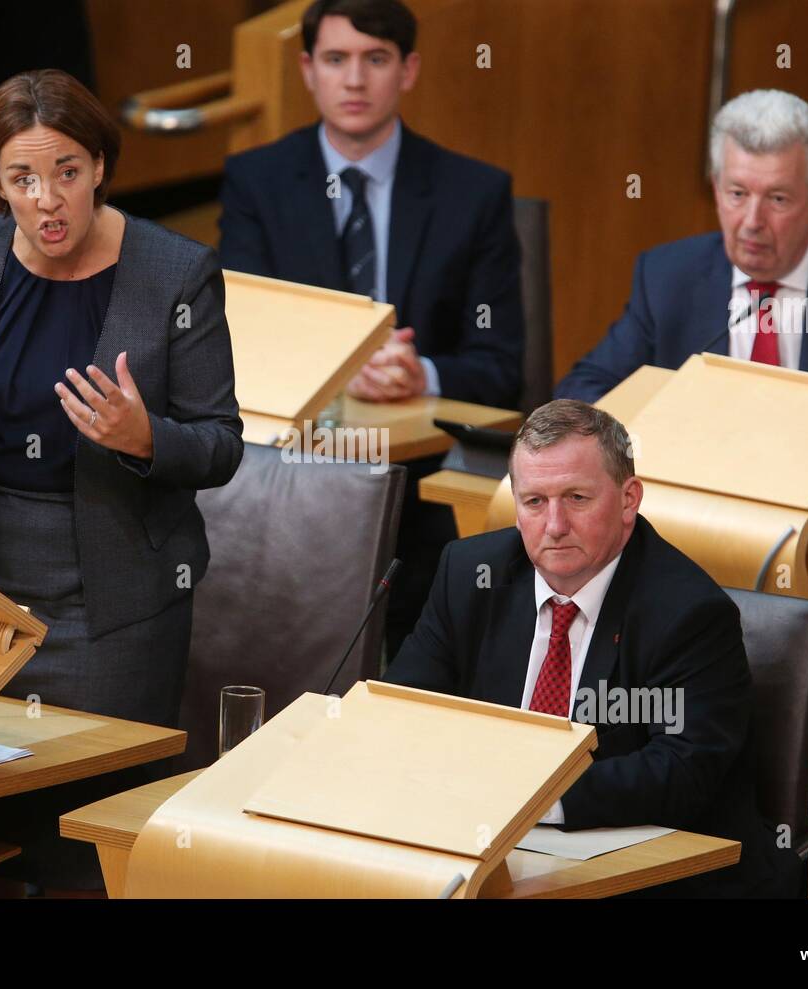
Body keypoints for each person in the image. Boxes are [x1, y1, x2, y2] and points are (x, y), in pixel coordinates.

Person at [0, 69, 243, 890]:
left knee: (84, 842)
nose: (47, 198)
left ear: (101, 165)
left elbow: (220, 446)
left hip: (111, 599)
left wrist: (145, 438)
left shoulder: (175, 272)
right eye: (22, 177)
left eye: (67, 170)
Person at [554, 88, 808, 847]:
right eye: (735, 193)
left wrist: (780, 454)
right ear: (716, 187)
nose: (751, 220)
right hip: (693, 555)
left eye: (776, 198)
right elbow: (585, 397)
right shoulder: (668, 276)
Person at [385, 400, 797, 897]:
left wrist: (527, 801)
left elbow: (684, 771)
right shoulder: (470, 575)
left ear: (628, 499)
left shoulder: (688, 611)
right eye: (534, 502)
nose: (554, 525)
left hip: (651, 872)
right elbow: (403, 711)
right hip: (487, 847)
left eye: (576, 498)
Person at [218, 0, 525, 653]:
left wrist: (424, 373)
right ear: (307, 70)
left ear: (408, 70)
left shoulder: (475, 194)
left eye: (375, 60)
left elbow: (503, 366)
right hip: (289, 469)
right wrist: (335, 366)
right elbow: (238, 341)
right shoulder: (258, 182)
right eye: (336, 60)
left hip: (421, 480)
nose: (354, 81)